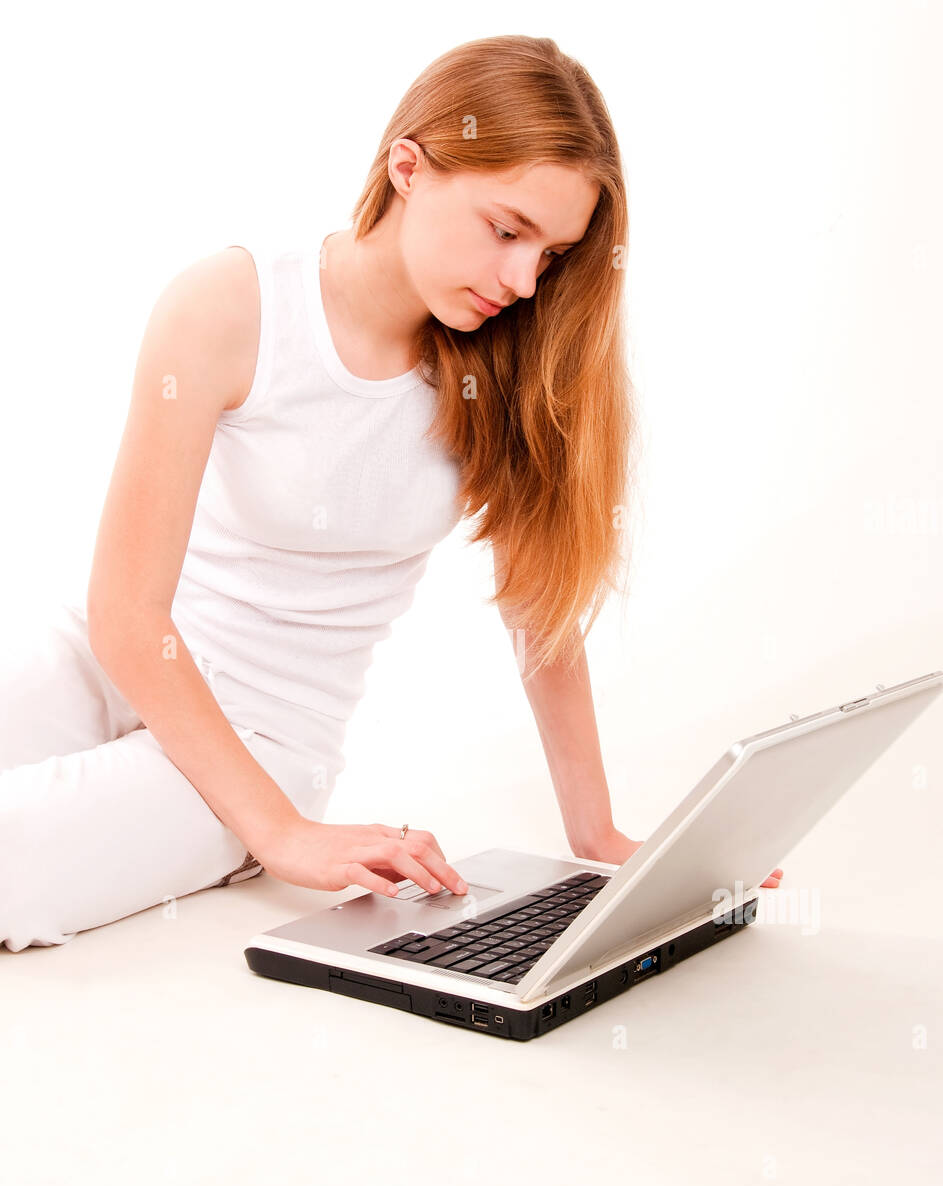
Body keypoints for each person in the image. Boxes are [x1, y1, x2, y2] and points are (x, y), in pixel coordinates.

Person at [0, 34, 785, 952]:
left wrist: (596, 835)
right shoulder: (228, 305)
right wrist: (282, 839)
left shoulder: (500, 373)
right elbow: (128, 616)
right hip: (106, 665)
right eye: (506, 229)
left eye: (551, 252)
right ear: (407, 166)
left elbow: (541, 614)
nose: (523, 281)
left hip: (264, 747)